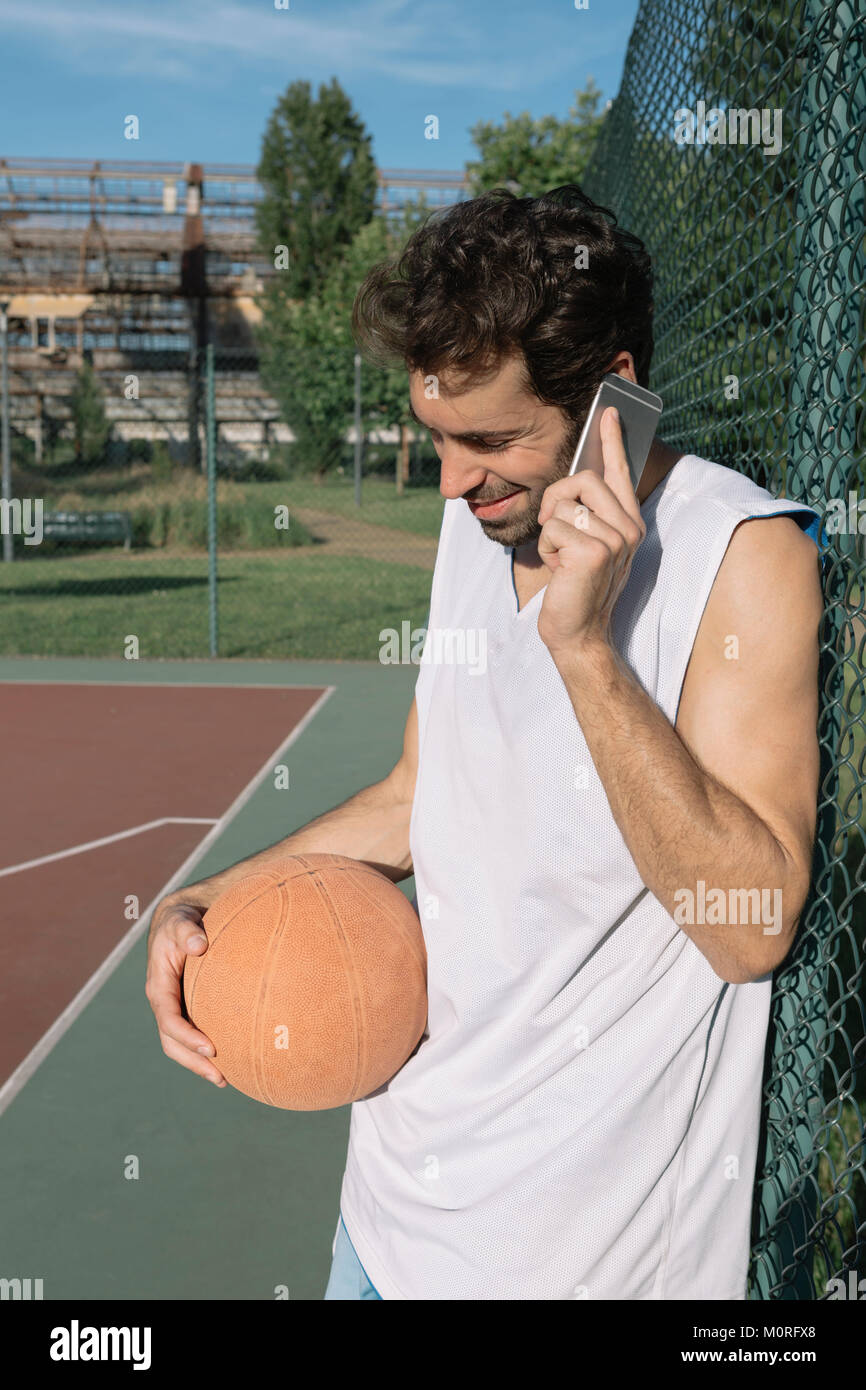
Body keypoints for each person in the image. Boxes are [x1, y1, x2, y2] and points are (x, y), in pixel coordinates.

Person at [146, 185, 824, 1300]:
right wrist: (206, 902)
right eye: (438, 441)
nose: (453, 482)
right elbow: (422, 790)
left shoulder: (741, 555)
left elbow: (748, 926)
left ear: (612, 392)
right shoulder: (482, 520)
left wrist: (585, 650)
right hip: (388, 1211)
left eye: (489, 440)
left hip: (572, 1263)